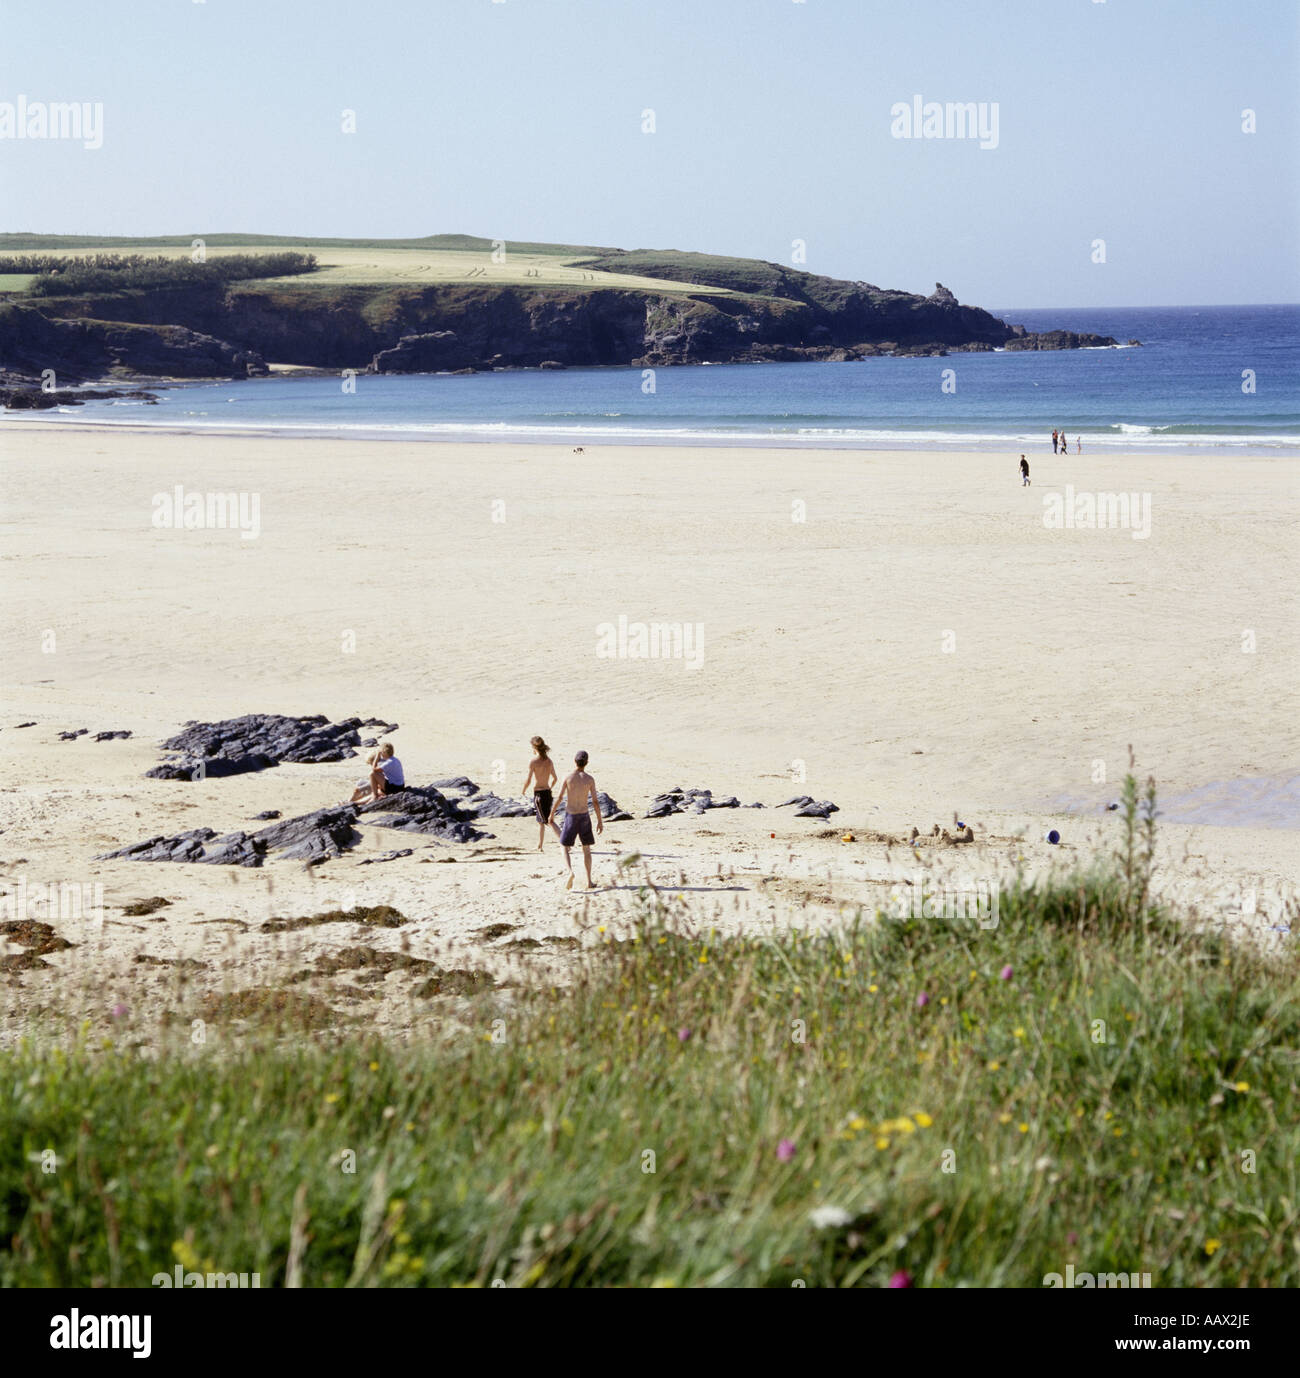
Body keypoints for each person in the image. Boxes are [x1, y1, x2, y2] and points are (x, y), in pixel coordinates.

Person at [550, 749, 603, 890]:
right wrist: (599, 820)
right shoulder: (590, 779)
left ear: (575, 761)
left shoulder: (568, 777)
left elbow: (560, 797)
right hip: (584, 815)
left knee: (564, 846)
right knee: (586, 848)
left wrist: (551, 814)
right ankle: (589, 881)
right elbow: (596, 802)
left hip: (571, 816)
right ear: (587, 763)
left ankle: (570, 872)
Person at [522, 735, 561, 850]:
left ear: (534, 748)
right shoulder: (549, 761)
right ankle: (540, 845)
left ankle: (564, 842)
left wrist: (523, 791)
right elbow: (555, 778)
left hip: (539, 794)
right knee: (542, 821)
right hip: (547, 792)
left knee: (548, 821)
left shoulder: (533, 761)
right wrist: (550, 787)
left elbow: (528, 780)